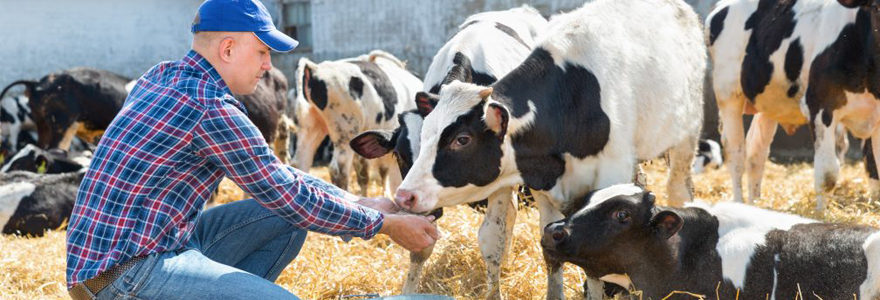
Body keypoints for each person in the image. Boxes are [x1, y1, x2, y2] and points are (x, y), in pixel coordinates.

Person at [65, 1, 438, 299]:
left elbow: (279, 179)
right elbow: (287, 194)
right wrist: (384, 225)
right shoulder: (210, 106)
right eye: (261, 51)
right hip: (124, 275)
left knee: (286, 219)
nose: (268, 65)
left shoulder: (163, 75)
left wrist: (359, 202)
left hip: (147, 247)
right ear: (228, 48)